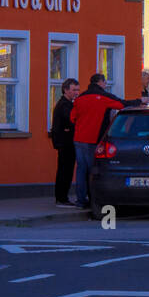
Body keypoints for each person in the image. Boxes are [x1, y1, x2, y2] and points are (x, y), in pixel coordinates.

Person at [70, 73, 136, 208]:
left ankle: (80, 199)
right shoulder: (103, 97)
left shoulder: (80, 98)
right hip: (94, 139)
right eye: (104, 83)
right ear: (100, 82)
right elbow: (120, 105)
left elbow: (72, 118)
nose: (105, 85)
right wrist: (138, 101)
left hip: (79, 138)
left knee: (81, 169)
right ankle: (93, 199)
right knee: (92, 170)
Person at [50, 78, 80, 207]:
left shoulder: (66, 104)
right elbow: (71, 120)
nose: (76, 93)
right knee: (65, 171)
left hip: (64, 142)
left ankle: (62, 197)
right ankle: (62, 198)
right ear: (66, 90)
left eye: (78, 90)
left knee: (65, 170)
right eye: (74, 90)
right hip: (65, 142)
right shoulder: (64, 105)